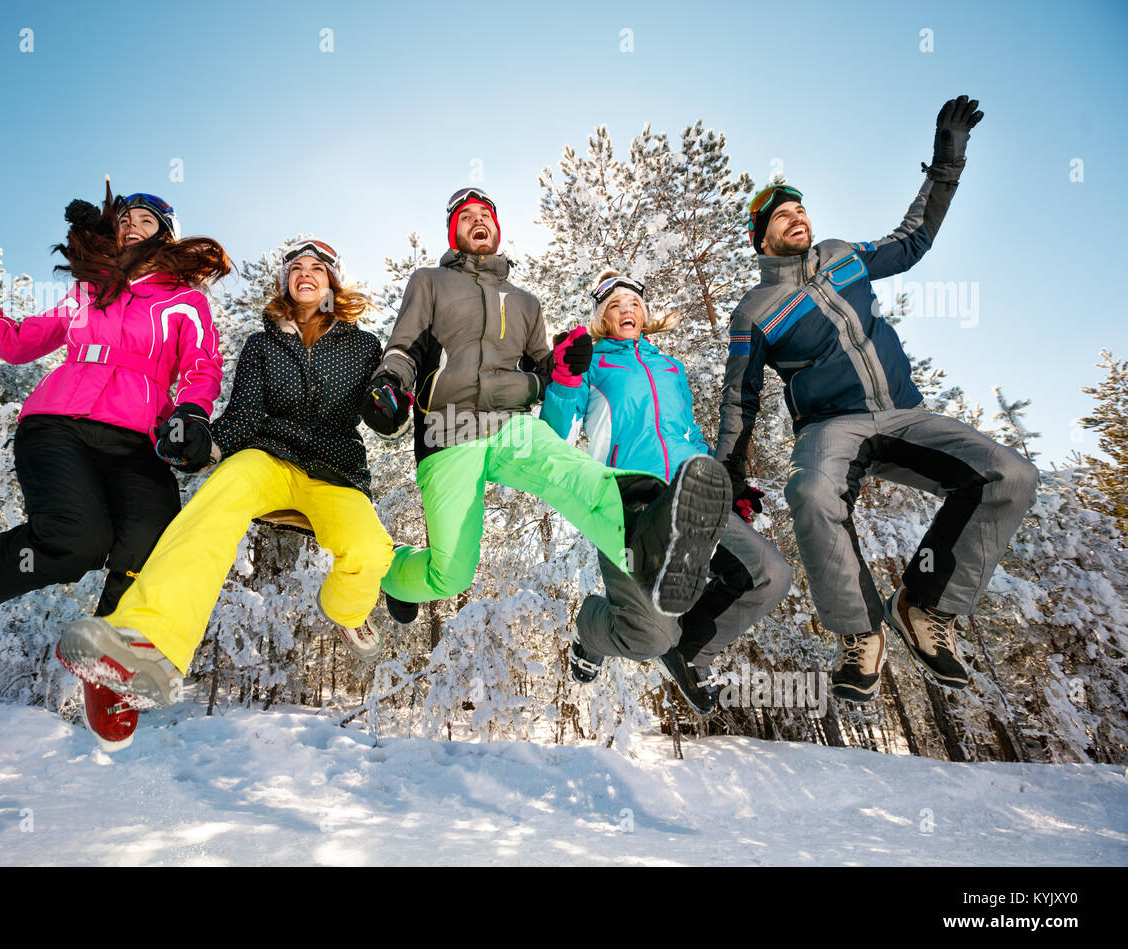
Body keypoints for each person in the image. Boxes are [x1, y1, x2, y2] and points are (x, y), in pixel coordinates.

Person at [0, 183, 230, 748]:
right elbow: (16, 342)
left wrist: (191, 413)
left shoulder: (184, 300)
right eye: (126, 217)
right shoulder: (89, 291)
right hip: (59, 423)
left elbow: (202, 366)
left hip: (138, 439)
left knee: (150, 544)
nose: (133, 224)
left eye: (148, 218)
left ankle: (112, 666)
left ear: (167, 232)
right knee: (75, 542)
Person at [715, 95, 1039, 703]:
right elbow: (742, 396)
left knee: (1011, 476)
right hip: (831, 427)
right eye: (782, 214)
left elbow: (912, 240)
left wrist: (947, 164)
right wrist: (730, 467)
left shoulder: (844, 257)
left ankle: (923, 603)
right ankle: (862, 632)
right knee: (809, 491)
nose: (798, 216)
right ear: (761, 235)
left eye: (801, 207)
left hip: (903, 413)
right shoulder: (754, 312)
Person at [56, 239, 395, 742]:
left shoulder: (363, 344)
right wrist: (205, 445)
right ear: (285, 283)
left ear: (332, 283)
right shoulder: (263, 344)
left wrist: (387, 403)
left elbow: (380, 402)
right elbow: (243, 416)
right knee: (217, 498)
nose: (305, 274)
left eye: (317, 268)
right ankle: (146, 639)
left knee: (371, 550)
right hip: (268, 457)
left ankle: (346, 611)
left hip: (334, 469)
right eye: (295, 268)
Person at [359, 187, 731, 632]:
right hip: (447, 430)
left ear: (497, 230)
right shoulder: (429, 282)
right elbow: (404, 347)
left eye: (485, 216)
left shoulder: (526, 303)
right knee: (450, 574)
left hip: (509, 427)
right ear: (453, 232)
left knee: (580, 475)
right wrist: (389, 384)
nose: (478, 221)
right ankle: (393, 576)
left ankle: (649, 543)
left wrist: (564, 365)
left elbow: (545, 373)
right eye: (466, 217)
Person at [543, 271, 791, 713]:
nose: (627, 311)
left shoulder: (670, 367)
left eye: (634, 304)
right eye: (615, 305)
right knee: (647, 639)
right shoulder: (593, 362)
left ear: (645, 313)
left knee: (770, 574)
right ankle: (591, 629)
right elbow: (555, 437)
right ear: (601, 317)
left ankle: (692, 650)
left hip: (690, 495)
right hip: (626, 503)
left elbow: (687, 434)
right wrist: (563, 378)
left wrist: (724, 483)